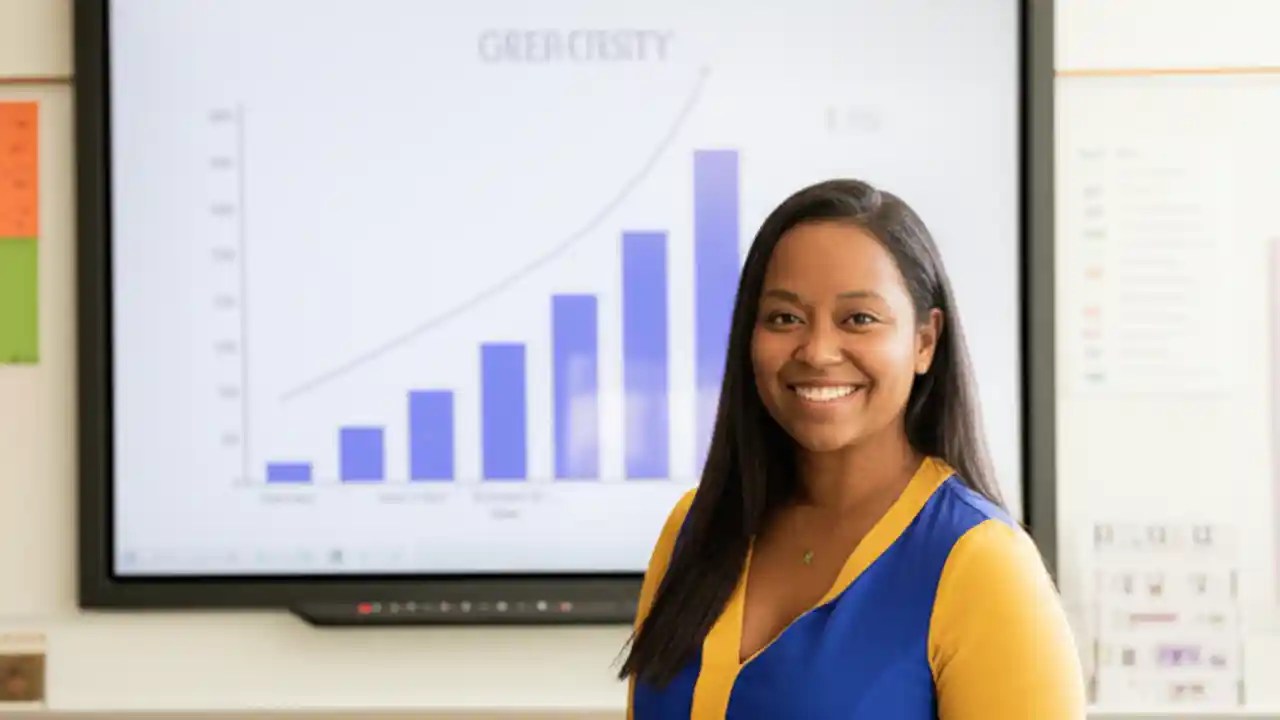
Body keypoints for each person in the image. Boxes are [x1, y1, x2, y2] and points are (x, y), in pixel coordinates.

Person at [618, 179, 1086, 718]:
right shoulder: (693, 527)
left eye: (859, 319)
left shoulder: (982, 564)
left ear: (924, 342)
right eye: (784, 318)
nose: (816, 351)